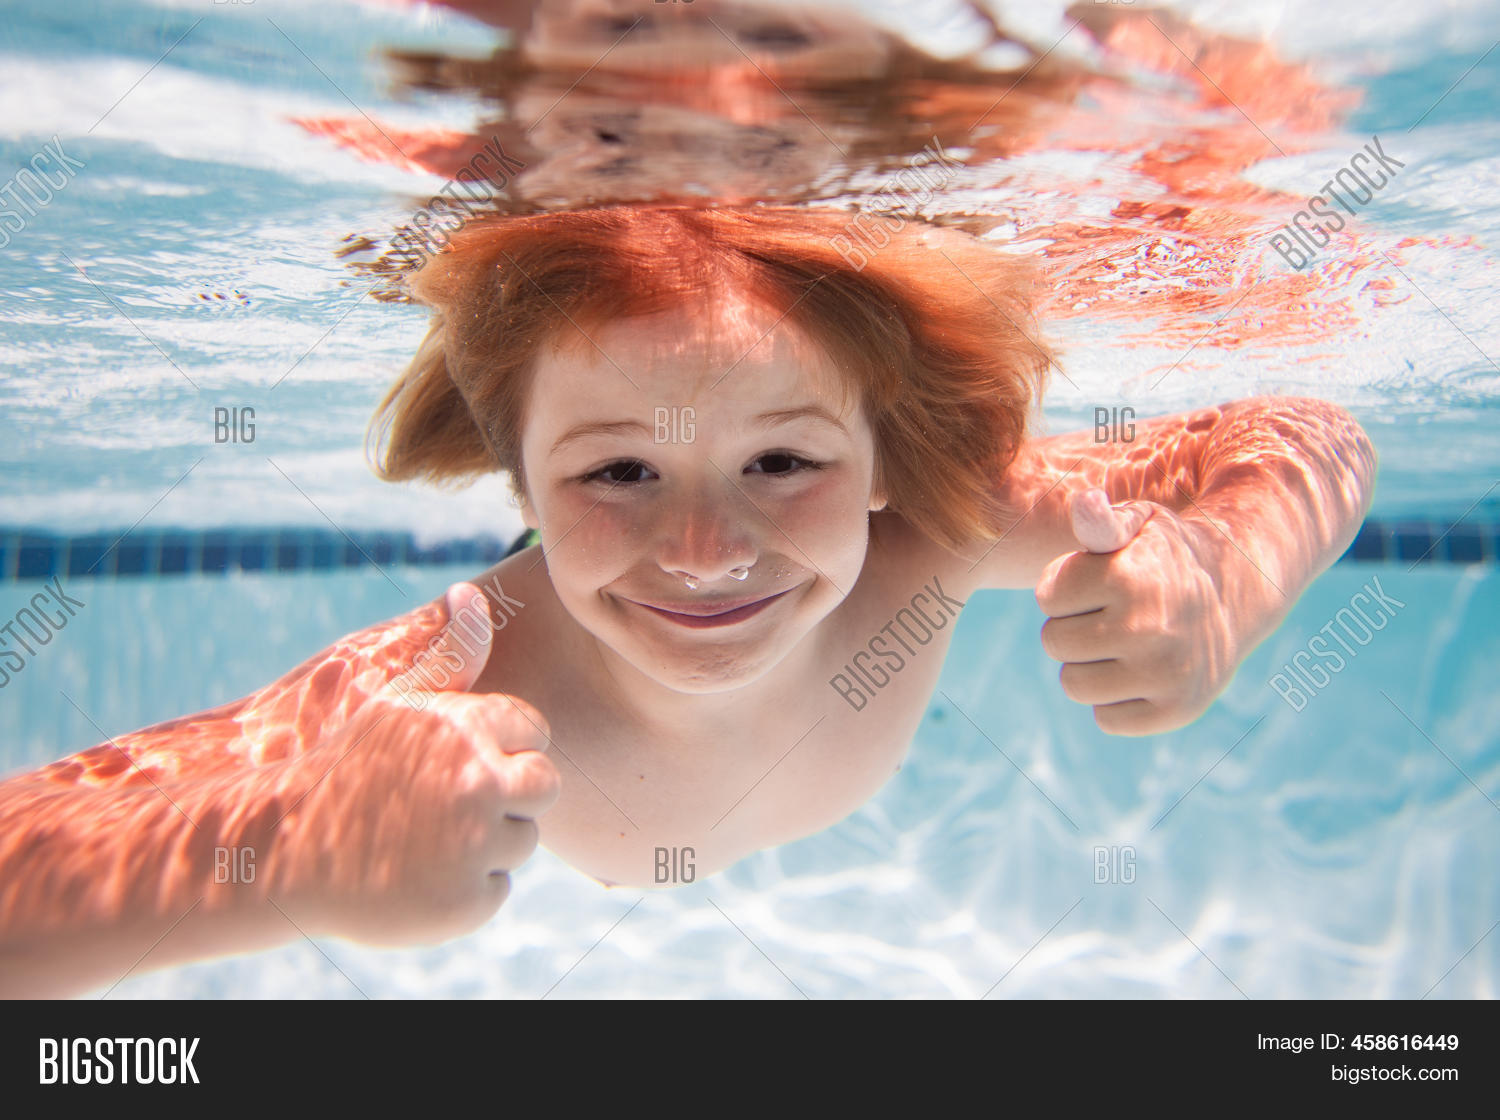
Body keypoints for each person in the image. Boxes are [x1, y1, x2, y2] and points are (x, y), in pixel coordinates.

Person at [0, 204, 1376, 997]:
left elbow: (1303, 430)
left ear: (882, 453)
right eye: (619, 471)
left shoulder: (935, 526)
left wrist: (1223, 572)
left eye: (782, 460)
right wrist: (294, 848)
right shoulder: (446, 681)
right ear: (521, 474)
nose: (708, 546)